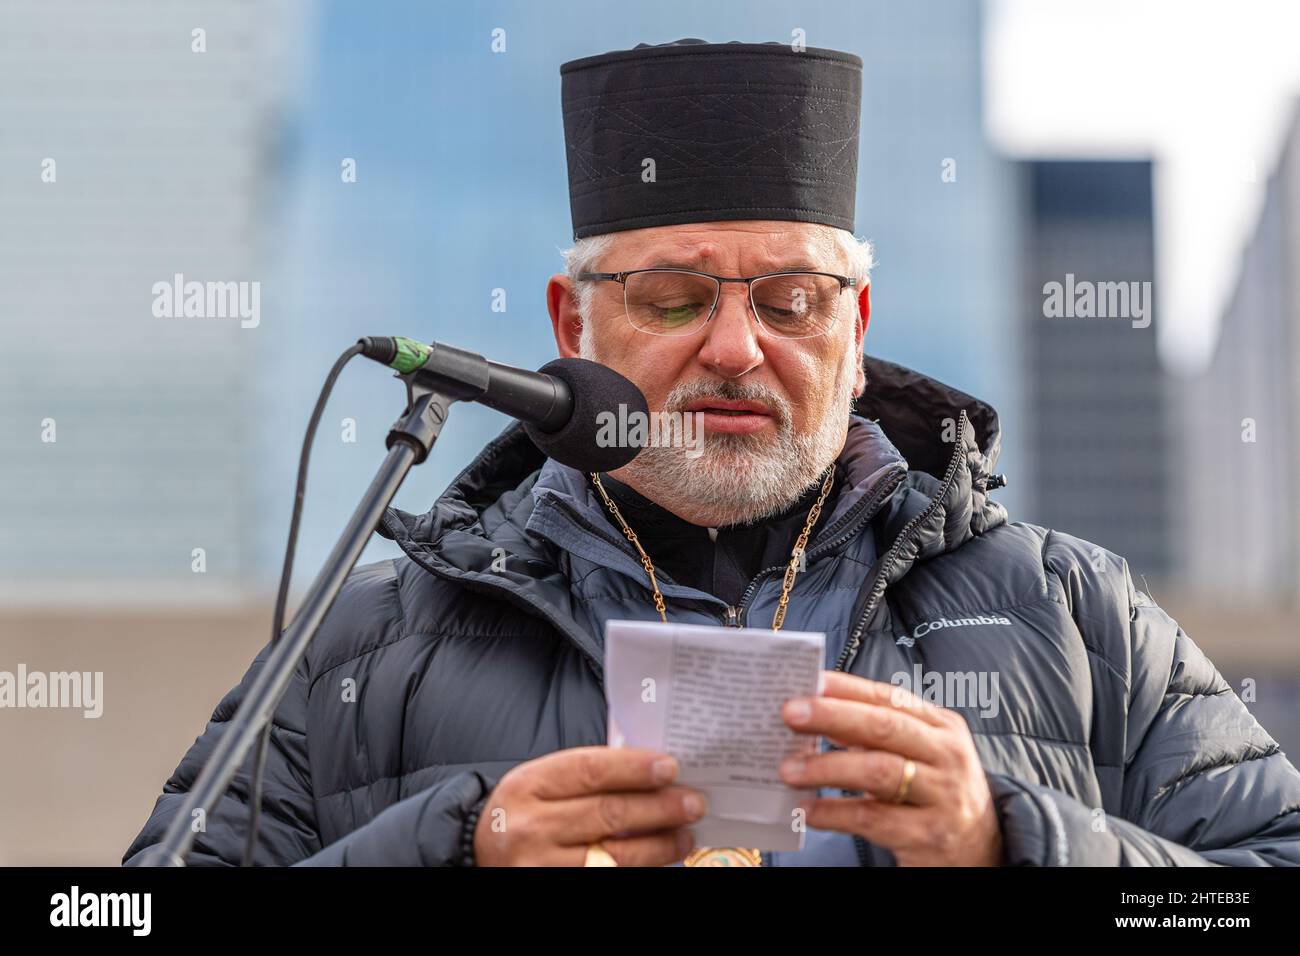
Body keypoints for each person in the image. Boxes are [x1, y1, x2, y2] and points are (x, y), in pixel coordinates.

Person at [124, 38, 1300, 867]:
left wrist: (1013, 839)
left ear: (855, 327)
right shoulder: (370, 639)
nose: (736, 348)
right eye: (675, 296)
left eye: (791, 299)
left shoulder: (1074, 613)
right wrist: (455, 847)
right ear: (569, 323)